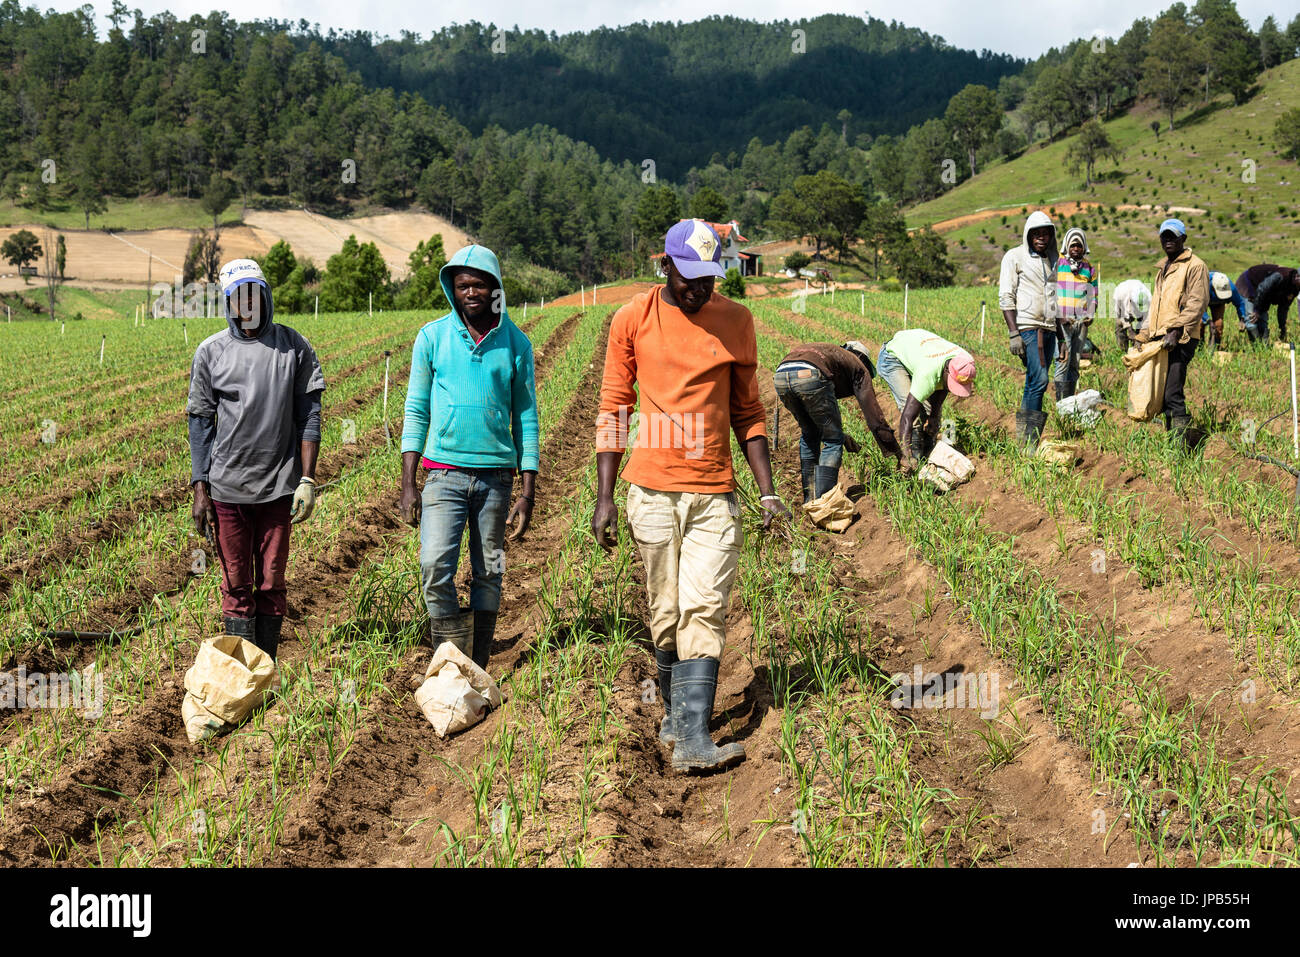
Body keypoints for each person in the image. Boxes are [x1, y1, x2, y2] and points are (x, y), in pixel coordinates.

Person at [592, 219, 790, 772]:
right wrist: (605, 496)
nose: (699, 289)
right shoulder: (633, 317)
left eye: (709, 278)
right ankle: (676, 719)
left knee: (704, 607)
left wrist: (768, 494)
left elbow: (749, 413)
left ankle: (694, 735)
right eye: (689, 277)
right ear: (666, 266)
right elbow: (614, 406)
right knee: (666, 610)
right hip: (651, 488)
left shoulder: (736, 320)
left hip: (713, 493)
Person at [399, 245, 538, 669]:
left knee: (488, 570)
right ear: (452, 289)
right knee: (434, 564)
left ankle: (475, 663)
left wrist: (527, 490)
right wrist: (408, 483)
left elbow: (527, 418)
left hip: (496, 479)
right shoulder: (432, 337)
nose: (471, 292)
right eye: (463, 285)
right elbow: (416, 408)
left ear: (495, 288)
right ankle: (448, 657)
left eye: (480, 284)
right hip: (443, 476)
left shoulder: (516, 344)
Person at [187, 259, 325, 661]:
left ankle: (267, 669)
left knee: (270, 582)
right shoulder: (211, 352)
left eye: (254, 294)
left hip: (278, 488)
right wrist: (201, 488)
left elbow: (309, 415)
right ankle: (244, 671)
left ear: (266, 297)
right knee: (235, 583)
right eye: (238, 296)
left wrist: (308, 480)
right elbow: (200, 423)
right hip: (227, 490)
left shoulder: (293, 347)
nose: (247, 304)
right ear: (228, 302)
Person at [773, 341, 903, 503]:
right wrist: (898, 454)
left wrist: (841, 434)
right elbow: (875, 419)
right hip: (811, 373)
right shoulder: (858, 366)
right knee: (832, 441)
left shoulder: (831, 355)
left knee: (810, 434)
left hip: (780, 376)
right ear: (862, 358)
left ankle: (810, 500)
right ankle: (825, 504)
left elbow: (819, 420)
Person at [1141, 219, 1208, 449]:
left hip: (1182, 338)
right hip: (1161, 338)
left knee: (1172, 393)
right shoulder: (1163, 269)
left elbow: (1197, 303)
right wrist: (1143, 335)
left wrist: (1177, 330)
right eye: (1164, 236)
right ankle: (1173, 443)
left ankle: (1182, 452)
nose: (1168, 240)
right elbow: (1155, 307)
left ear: (1183, 239)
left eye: (1173, 236)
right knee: (1161, 395)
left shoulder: (1195, 265)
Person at [875, 328, 976, 473]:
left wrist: (934, 415)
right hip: (893, 358)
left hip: (920, 351)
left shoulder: (965, 363)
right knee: (912, 414)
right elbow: (907, 417)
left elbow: (944, 387)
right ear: (946, 371)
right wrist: (906, 453)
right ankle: (914, 463)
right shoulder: (927, 373)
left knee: (930, 412)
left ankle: (929, 454)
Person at [999, 210, 1059, 449]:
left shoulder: (1055, 260)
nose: (1041, 238)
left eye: (1046, 234)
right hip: (1028, 326)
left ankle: (1023, 442)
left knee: (1034, 380)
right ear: (1028, 235)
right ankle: (1031, 442)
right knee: (1042, 379)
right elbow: (1006, 296)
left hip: (1051, 329)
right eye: (1037, 234)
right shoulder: (1015, 257)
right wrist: (1014, 333)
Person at [1052, 227, 1098, 402]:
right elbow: (1050, 290)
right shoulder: (1059, 262)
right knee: (1063, 360)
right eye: (1073, 245)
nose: (1076, 249)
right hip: (1063, 321)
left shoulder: (1088, 268)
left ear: (1084, 246)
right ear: (1067, 246)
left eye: (1079, 246)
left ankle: (1069, 401)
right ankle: (1060, 402)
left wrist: (1091, 314)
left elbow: (1093, 294)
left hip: (1081, 321)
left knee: (1074, 363)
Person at [1236, 264, 1300, 344]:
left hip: (1265, 294)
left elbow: (1283, 308)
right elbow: (1262, 288)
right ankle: (1255, 348)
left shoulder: (1295, 289)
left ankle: (1264, 347)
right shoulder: (1280, 276)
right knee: (1252, 320)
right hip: (1249, 283)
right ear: (1297, 277)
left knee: (1263, 322)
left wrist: (1282, 328)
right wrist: (1256, 310)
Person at [1204, 271, 1249, 349]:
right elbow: (1197, 308)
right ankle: (1199, 347)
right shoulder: (1202, 285)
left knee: (1218, 325)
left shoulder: (1232, 288)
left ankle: (1215, 348)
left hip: (1218, 303)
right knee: (1200, 324)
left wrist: (1242, 318)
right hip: (1201, 302)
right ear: (1213, 287)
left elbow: (1240, 303)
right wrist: (1208, 321)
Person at [1113, 279, 1152, 350]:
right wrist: (1130, 330)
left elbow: (1147, 319)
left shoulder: (1148, 297)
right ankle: (1123, 349)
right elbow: (1120, 315)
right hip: (1123, 308)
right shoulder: (1120, 295)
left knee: (1143, 328)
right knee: (1119, 324)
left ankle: (1139, 346)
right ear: (1131, 300)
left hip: (1139, 309)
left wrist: (1140, 337)